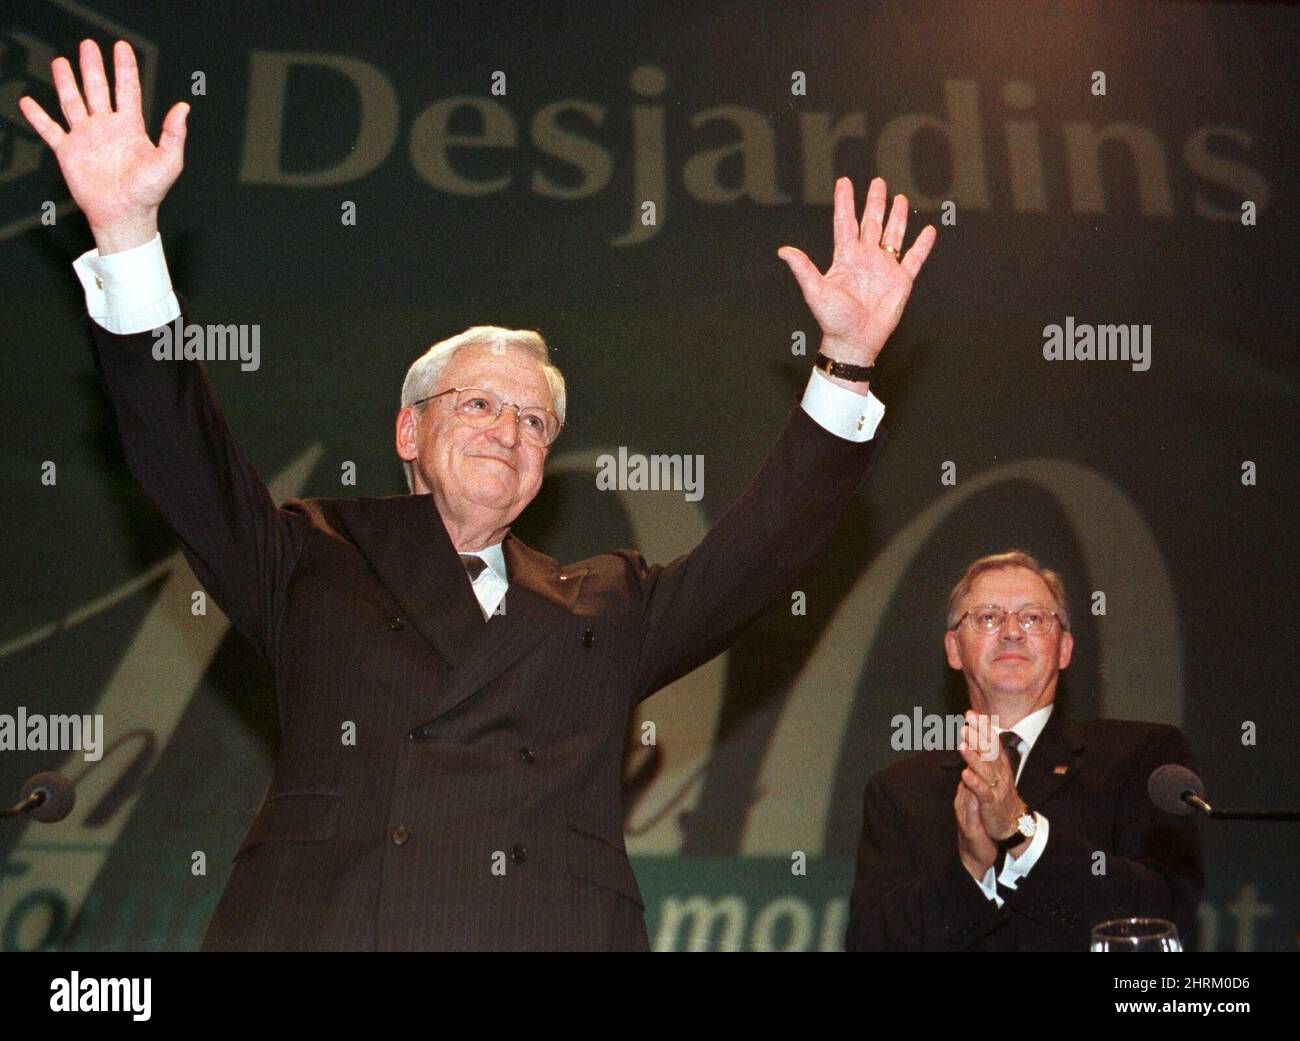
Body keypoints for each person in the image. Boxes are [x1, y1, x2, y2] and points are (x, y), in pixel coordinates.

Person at [20, 41, 936, 950]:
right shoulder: (308, 555)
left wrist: (846, 362)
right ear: (408, 431)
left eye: (536, 422)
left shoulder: (609, 603)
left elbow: (764, 550)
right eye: (482, 403)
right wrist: (127, 237)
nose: (510, 428)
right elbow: (182, 453)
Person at [846, 551, 1204, 951]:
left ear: (1065, 648)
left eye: (1033, 618)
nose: (1012, 632)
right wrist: (969, 869)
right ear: (954, 648)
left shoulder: (1143, 758)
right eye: (988, 618)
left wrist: (1023, 831)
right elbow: (870, 943)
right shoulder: (899, 790)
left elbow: (1167, 915)